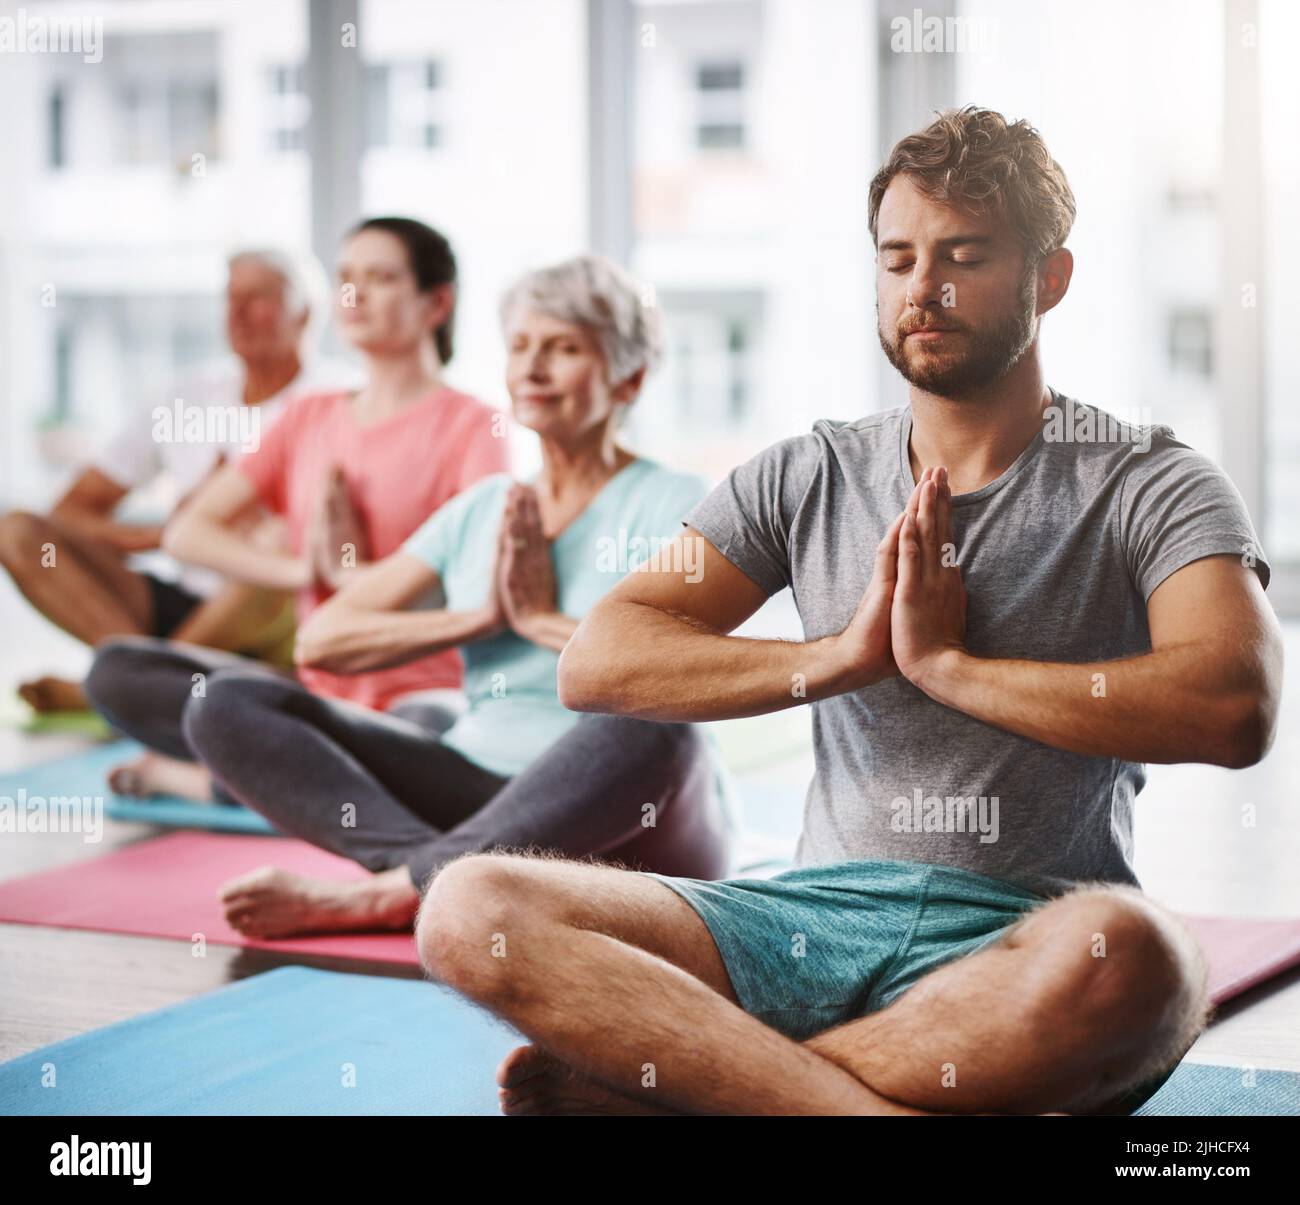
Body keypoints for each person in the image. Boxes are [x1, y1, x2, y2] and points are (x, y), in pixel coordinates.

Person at [412, 106, 1283, 1117]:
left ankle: (698, 1081)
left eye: (964, 255)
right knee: (472, 906)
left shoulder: (1153, 480)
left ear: (1049, 278)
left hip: (1023, 936)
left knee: (1143, 960)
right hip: (797, 919)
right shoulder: (806, 471)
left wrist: (953, 667)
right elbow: (600, 659)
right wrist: (839, 656)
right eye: (898, 258)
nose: (925, 288)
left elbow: (1234, 704)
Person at [173, 255, 732, 939]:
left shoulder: (675, 501)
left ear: (629, 378)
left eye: (562, 349)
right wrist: (477, 618)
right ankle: (428, 877)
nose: (531, 368)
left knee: (651, 721)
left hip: (626, 814)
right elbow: (321, 638)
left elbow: (680, 669)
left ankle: (399, 889)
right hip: (479, 795)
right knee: (224, 700)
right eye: (521, 346)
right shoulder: (484, 508)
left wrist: (538, 619)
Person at [85, 217, 509, 803]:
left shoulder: (474, 425)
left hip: (420, 701)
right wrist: (304, 570)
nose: (355, 296)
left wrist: (351, 576)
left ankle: (208, 780)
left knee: (427, 741)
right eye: (346, 278)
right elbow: (189, 533)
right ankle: (295, 772)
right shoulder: (309, 415)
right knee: (118, 671)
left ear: (436, 302)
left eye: (381, 278)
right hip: (311, 692)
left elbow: (476, 584)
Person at [0, 248, 350, 715]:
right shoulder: (186, 396)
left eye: (258, 297)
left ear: (304, 313)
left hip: (277, 608)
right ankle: (150, 685)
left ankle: (126, 690)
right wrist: (163, 535)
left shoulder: (338, 399)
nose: (238, 312)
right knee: (17, 532)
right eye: (231, 297)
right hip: (185, 600)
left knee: (280, 544)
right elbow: (73, 509)